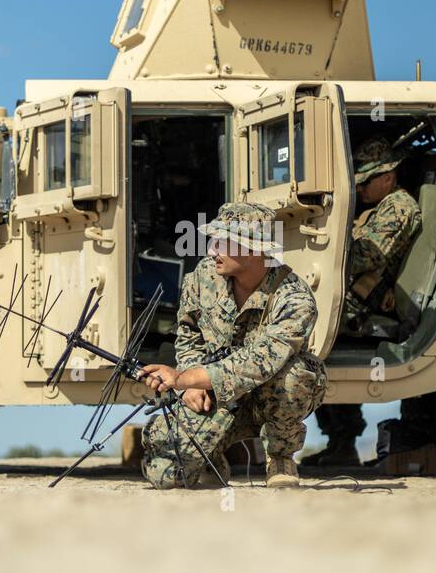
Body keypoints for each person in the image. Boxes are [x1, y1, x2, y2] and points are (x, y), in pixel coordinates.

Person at [137, 202, 327, 489]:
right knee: (165, 474)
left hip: (268, 396)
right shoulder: (202, 278)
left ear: (252, 248)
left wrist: (183, 378)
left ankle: (280, 457)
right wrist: (191, 383)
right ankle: (211, 456)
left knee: (297, 374)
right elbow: (189, 336)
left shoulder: (295, 298)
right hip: (216, 396)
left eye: (221, 242)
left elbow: (259, 362)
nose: (212, 250)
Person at [305, 137, 422, 467]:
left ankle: (325, 440)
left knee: (292, 326)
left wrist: (320, 248)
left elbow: (367, 256)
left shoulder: (398, 207)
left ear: (388, 177)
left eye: (364, 182)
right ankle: (340, 442)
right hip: (354, 297)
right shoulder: (378, 207)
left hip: (360, 305)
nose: (359, 190)